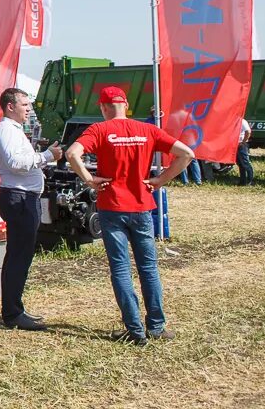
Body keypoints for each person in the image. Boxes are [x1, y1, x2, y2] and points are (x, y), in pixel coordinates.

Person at [66, 86, 194, 346]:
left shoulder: (99, 130)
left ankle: (135, 331)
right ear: (126, 105)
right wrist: (160, 180)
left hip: (112, 207)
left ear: (103, 107)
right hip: (141, 207)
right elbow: (187, 154)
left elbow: (72, 154)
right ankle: (156, 327)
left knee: (121, 269)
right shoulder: (147, 130)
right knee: (148, 268)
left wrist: (89, 179)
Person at [0, 88, 61, 331]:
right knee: (19, 255)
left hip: (21, 196)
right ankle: (12, 313)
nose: (28, 109)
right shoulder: (6, 130)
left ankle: (15, 308)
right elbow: (15, 162)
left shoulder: (13, 130)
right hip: (19, 197)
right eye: (25, 104)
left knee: (19, 254)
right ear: (10, 106)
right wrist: (46, 156)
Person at [236, 117, 254, 186]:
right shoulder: (233, 121)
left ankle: (250, 180)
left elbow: (248, 131)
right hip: (236, 145)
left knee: (245, 163)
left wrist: (243, 142)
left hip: (241, 145)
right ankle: (243, 181)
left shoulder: (242, 121)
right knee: (240, 164)